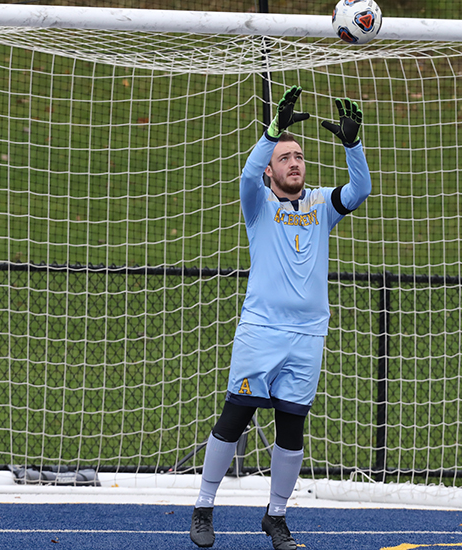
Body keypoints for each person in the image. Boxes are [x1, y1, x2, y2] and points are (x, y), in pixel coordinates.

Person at [189, 85, 371, 550]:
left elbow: (361, 189)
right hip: (261, 333)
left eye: (299, 156)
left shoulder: (320, 206)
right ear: (271, 168)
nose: (294, 162)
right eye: (285, 156)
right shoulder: (259, 206)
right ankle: (204, 508)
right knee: (236, 416)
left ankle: (276, 517)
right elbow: (247, 176)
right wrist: (272, 133)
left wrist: (353, 145)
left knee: (292, 428)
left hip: (308, 336)